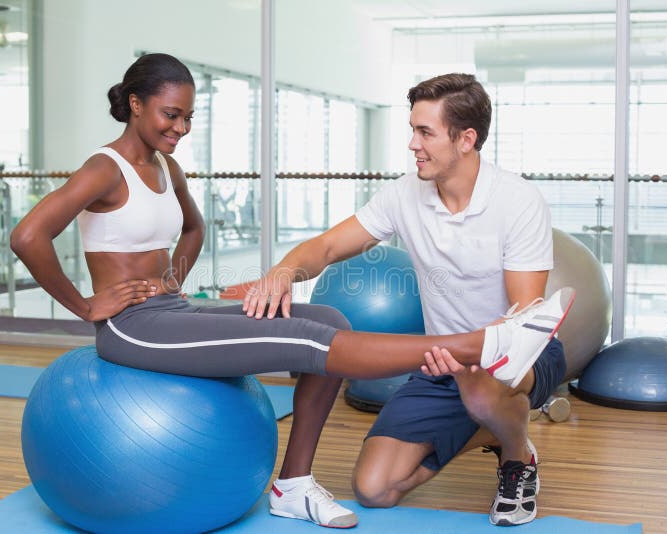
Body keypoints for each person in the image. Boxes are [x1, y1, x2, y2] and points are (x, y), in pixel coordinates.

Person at [10, 54, 572, 529]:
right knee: (309, 348)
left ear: (465, 138)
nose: (179, 128)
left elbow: (194, 228)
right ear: (135, 103)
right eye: (170, 114)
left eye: (187, 117)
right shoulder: (102, 169)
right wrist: (87, 307)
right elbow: (28, 234)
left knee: (328, 315)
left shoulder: (164, 168)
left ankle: (294, 484)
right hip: (131, 328)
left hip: (169, 307)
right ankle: (482, 343)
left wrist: (173, 281)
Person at [243, 73, 572, 526]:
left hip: (516, 357)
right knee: (375, 488)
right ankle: (492, 429)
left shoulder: (517, 201)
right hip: (439, 361)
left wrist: (470, 359)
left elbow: (522, 320)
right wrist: (283, 272)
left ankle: (517, 457)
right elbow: (327, 247)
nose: (413, 144)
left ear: (466, 139)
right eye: (412, 129)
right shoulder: (405, 193)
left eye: (426, 132)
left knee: (480, 386)